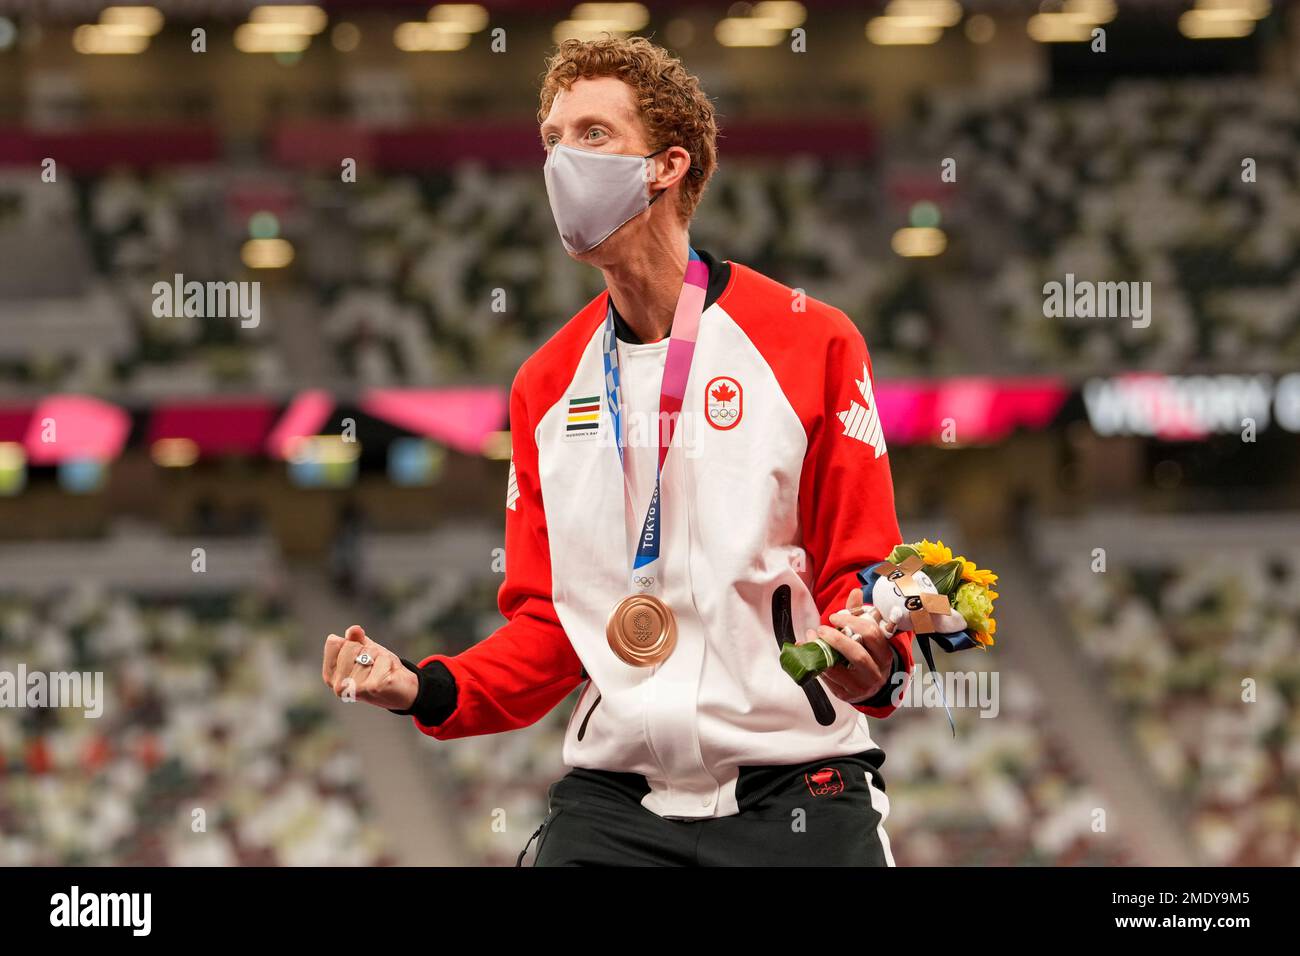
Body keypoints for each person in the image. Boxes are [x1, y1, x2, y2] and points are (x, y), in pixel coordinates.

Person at [322, 36, 914, 866]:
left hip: (799, 791)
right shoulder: (544, 385)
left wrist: (875, 661)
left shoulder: (809, 341)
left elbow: (862, 563)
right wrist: (423, 685)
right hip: (616, 806)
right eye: (552, 139)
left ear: (667, 166)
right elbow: (551, 625)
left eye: (592, 134)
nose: (563, 159)